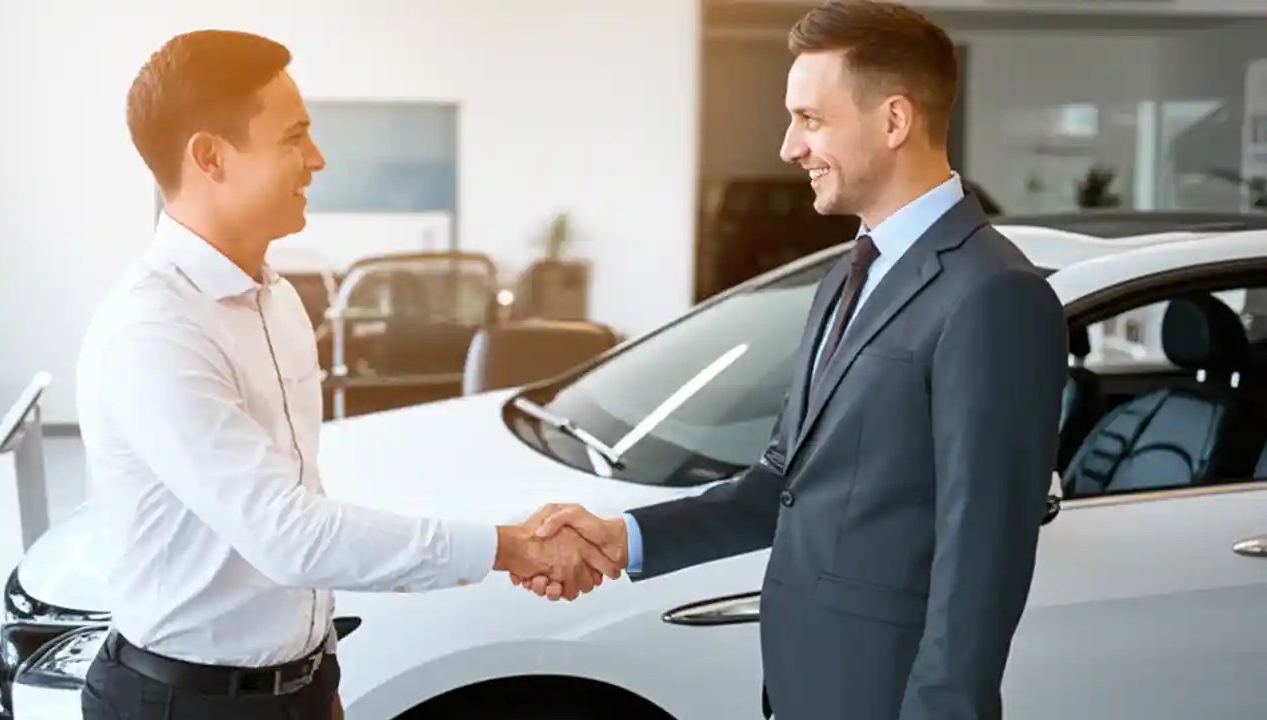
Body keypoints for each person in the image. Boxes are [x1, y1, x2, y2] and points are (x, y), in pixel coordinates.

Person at [518, 1, 1068, 718]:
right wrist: (624, 538)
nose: (788, 147)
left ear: (894, 121)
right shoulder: (848, 273)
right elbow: (782, 484)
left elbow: (983, 561)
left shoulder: (994, 295)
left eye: (810, 119)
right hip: (807, 687)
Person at [76, 30, 615, 720]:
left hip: (300, 690)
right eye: (294, 137)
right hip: (187, 704)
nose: (317, 158)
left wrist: (314, 677)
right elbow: (290, 535)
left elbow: (298, 502)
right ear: (210, 156)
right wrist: (511, 549)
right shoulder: (153, 331)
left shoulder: (277, 300)